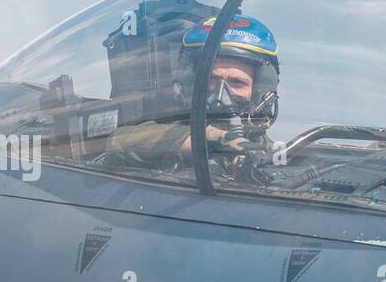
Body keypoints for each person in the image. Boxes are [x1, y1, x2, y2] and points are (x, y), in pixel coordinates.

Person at [105, 12, 279, 180]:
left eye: (237, 83)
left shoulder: (268, 153)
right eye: (211, 79)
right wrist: (208, 138)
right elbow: (118, 141)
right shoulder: (167, 129)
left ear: (258, 91)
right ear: (190, 82)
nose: (221, 93)